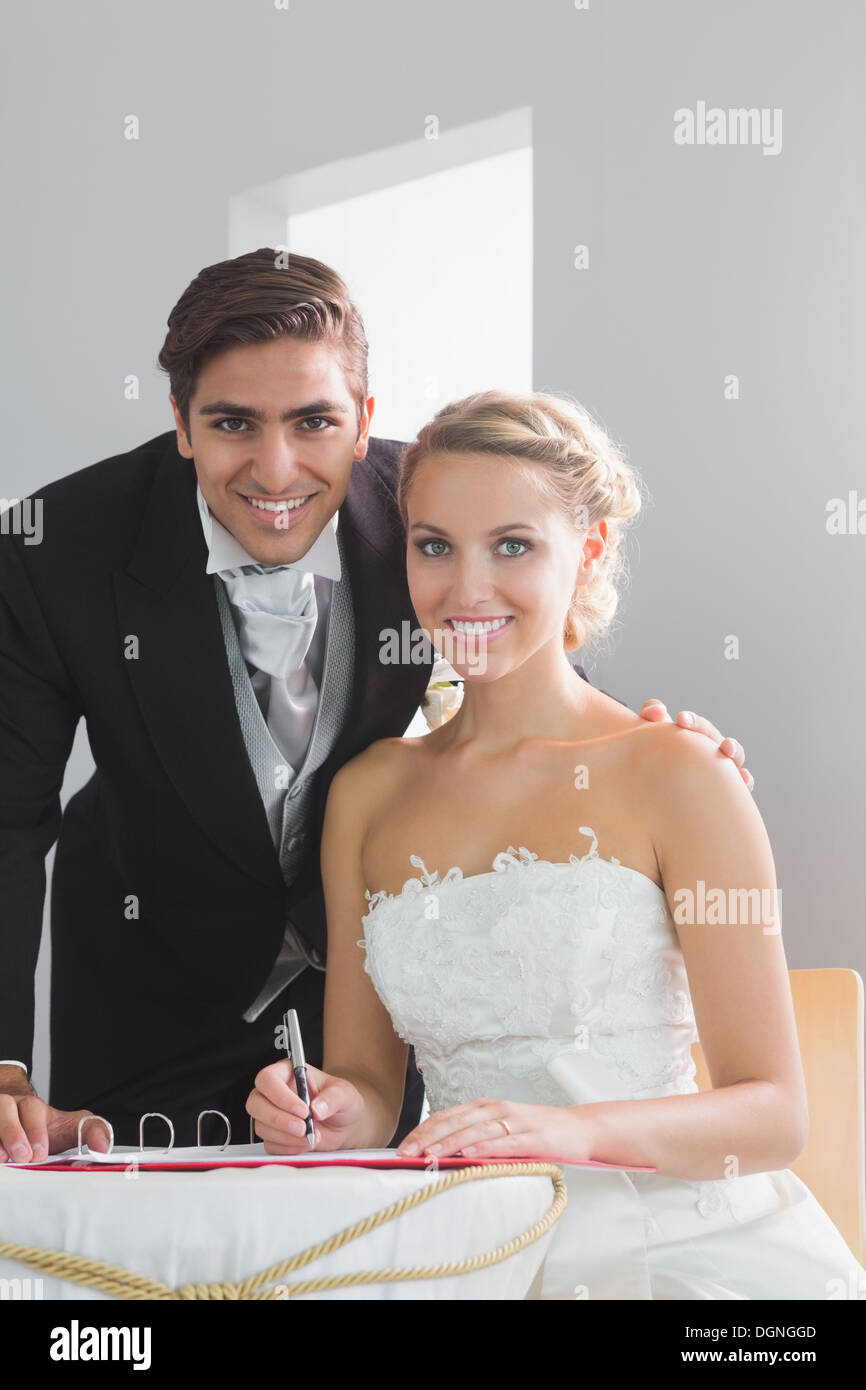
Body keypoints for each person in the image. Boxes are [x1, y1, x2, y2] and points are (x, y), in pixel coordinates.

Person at [0, 249, 749, 1164]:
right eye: (233, 422)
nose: (276, 472)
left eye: (313, 421)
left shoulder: (436, 508)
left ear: (363, 422)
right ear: (182, 425)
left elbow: (516, 643)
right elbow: (6, 817)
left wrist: (645, 749)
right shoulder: (54, 550)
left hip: (376, 1002)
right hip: (146, 968)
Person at [247, 387, 866, 1299]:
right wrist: (327, 1114)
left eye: (513, 545)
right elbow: (372, 1094)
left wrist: (570, 1132)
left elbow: (774, 1115)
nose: (467, 590)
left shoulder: (683, 776)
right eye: (434, 547)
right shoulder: (368, 796)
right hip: (461, 1243)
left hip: (672, 1244)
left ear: (591, 550)